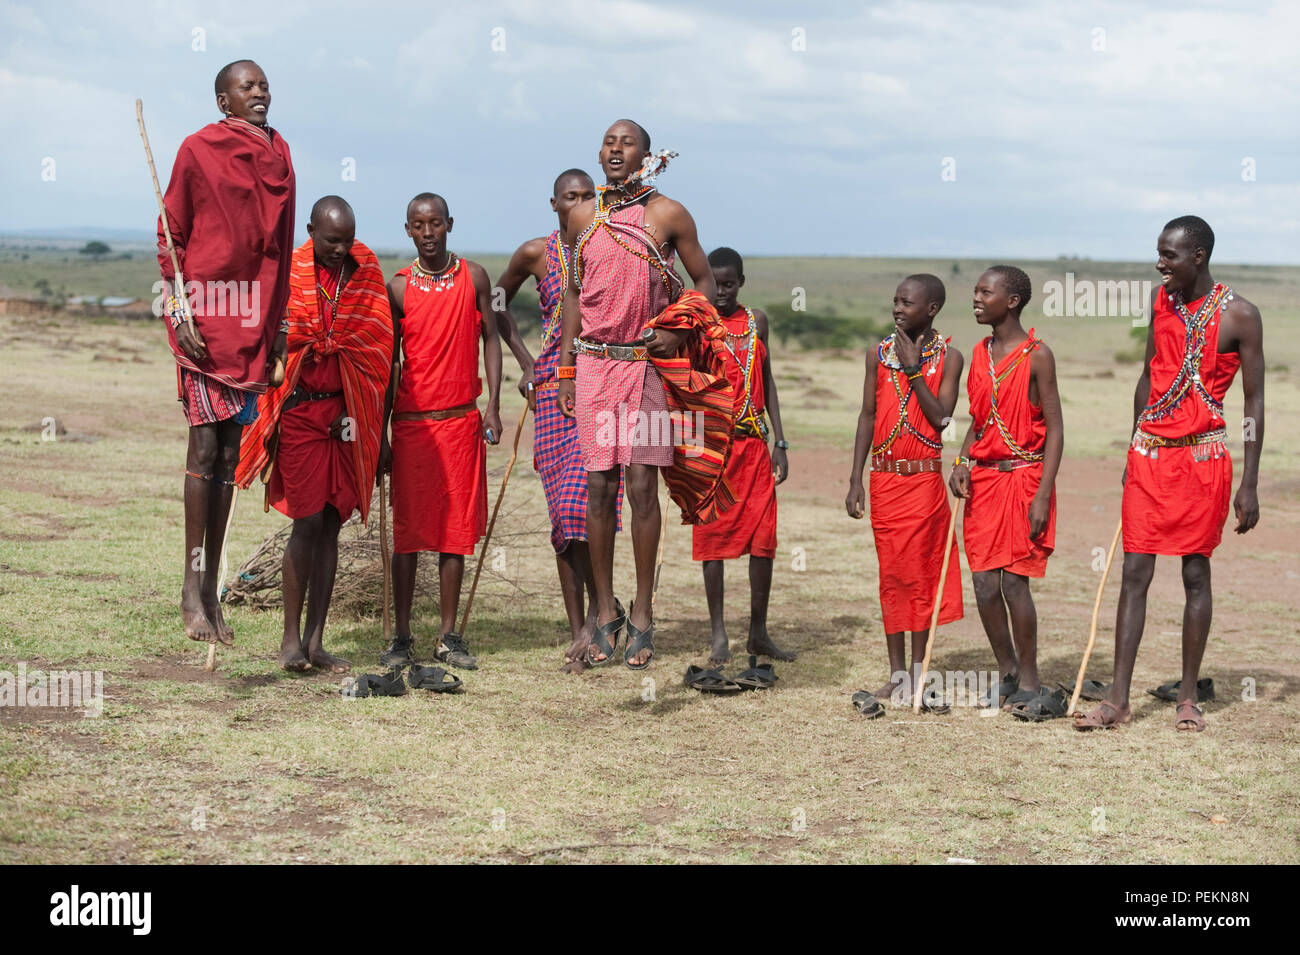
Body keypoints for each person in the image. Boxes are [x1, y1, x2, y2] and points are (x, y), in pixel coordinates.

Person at [1076, 216, 1263, 732]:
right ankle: (1117, 700)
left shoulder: (1241, 316)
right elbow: (1147, 375)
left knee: (1195, 573)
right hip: (1150, 457)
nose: (1160, 264)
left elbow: (1255, 400)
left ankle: (1187, 698)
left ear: (1197, 256)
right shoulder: (1162, 302)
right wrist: (1133, 445)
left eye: (1169, 256)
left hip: (1202, 461)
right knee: (1134, 573)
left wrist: (1249, 482)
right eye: (1159, 253)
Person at [555, 119, 723, 670]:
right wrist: (564, 370)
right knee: (599, 489)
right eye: (608, 141)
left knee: (642, 486)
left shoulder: (668, 215)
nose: (615, 149)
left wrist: (677, 329)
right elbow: (575, 295)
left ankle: (644, 612)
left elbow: (706, 283)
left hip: (646, 370)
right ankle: (606, 612)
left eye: (627, 143)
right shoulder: (582, 215)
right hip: (596, 370)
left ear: (648, 157)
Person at [157, 59, 295, 647]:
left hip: (255, 318)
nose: (260, 92)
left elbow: (284, 245)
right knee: (205, 445)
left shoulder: (282, 155)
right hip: (205, 316)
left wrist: (281, 321)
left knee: (233, 452)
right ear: (224, 102)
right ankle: (192, 590)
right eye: (248, 86)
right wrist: (178, 307)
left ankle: (213, 587)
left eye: (264, 84)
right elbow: (171, 232)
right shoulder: (198, 149)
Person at [235, 196, 392, 673]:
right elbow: (269, 339)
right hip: (301, 413)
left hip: (348, 417)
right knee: (305, 523)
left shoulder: (365, 271)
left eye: (346, 240)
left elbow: (379, 349)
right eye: (331, 241)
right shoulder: (291, 270)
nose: (340, 250)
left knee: (330, 524)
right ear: (310, 231)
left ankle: (316, 642)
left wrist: (377, 433)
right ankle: (289, 642)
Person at [492, 169, 628, 673]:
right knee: (565, 517)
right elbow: (497, 300)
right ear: (554, 204)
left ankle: (602, 616)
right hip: (553, 389)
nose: (580, 203)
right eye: (570, 197)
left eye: (588, 195)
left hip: (603, 383)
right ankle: (581, 628)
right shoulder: (536, 253)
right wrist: (525, 361)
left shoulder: (614, 247)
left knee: (596, 506)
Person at [378, 194, 503, 671]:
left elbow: (491, 336)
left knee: (454, 534)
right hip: (410, 426)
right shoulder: (399, 288)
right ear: (408, 230)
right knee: (408, 535)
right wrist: (383, 435)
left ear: (450, 224)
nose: (428, 232)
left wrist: (491, 406)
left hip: (460, 421)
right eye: (418, 225)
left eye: (435, 223)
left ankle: (449, 636)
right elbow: (389, 364)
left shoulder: (473, 278)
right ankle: (402, 637)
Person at [949, 266, 1064, 719]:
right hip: (985, 480)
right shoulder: (979, 353)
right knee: (982, 582)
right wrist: (960, 461)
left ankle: (1032, 678)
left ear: (1012, 301)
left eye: (985, 292)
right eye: (975, 291)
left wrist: (1043, 496)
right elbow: (979, 418)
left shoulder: (1038, 355)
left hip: (1025, 480)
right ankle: (1007, 669)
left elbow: (1056, 430)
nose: (976, 299)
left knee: (1015, 582)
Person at [846, 275, 964, 715]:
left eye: (907, 303)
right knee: (892, 577)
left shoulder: (950, 357)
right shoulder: (877, 355)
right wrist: (855, 478)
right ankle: (897, 677)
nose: (897, 308)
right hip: (884, 481)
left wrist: (914, 369)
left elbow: (943, 420)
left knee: (920, 577)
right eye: (895, 300)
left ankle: (919, 674)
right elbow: (866, 415)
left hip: (924, 482)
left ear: (931, 309)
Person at [693, 247, 794, 667]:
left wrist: (781, 443)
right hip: (714, 449)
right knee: (712, 540)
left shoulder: (757, 323)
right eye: (714, 283)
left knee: (763, 541)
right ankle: (719, 635)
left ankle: (758, 631)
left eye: (729, 284)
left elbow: (766, 380)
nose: (721, 291)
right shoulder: (697, 324)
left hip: (754, 446)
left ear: (742, 283)